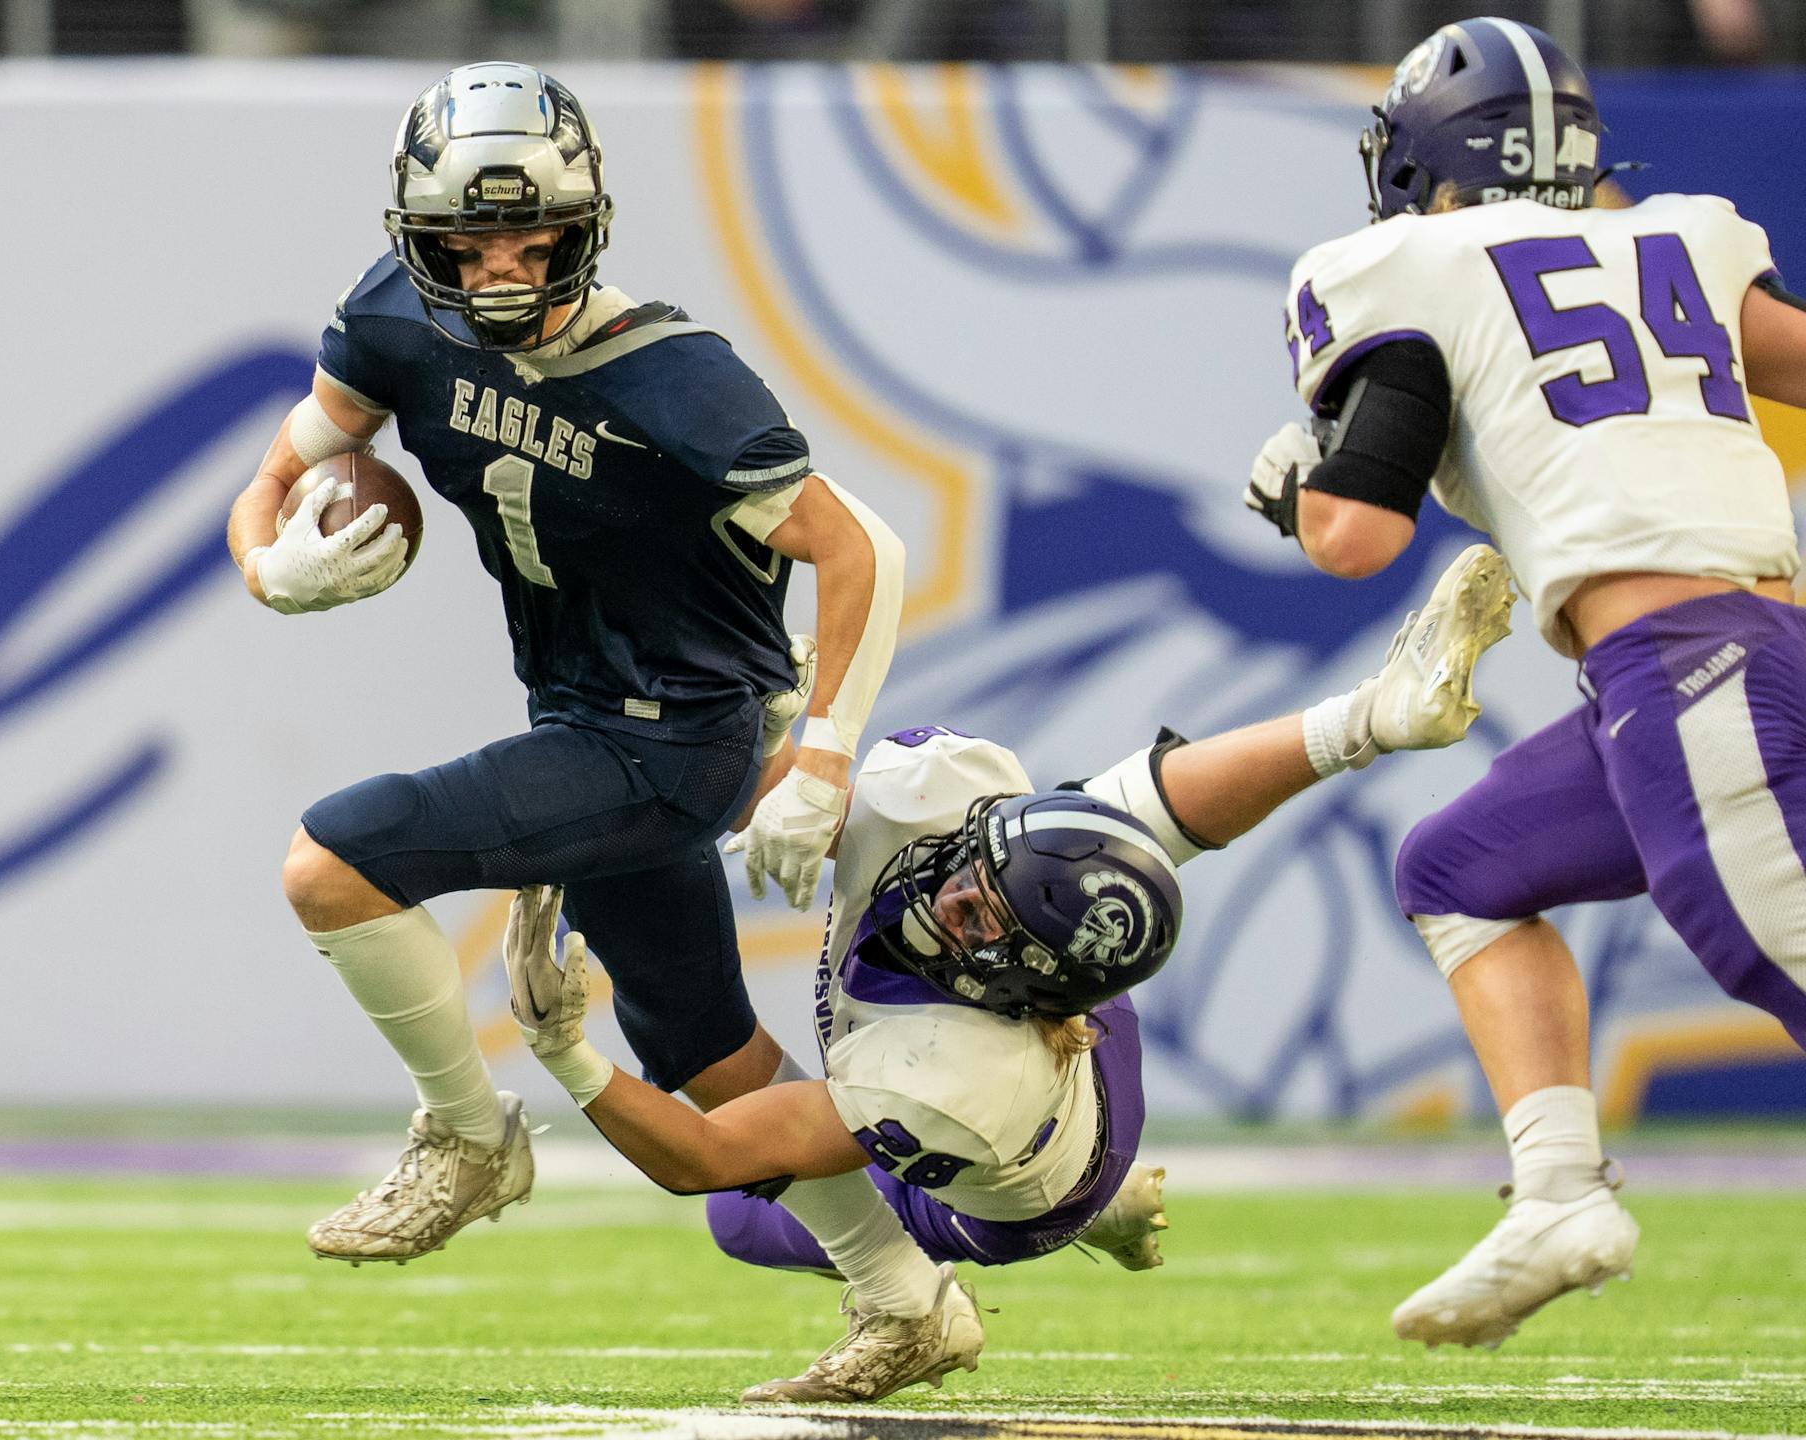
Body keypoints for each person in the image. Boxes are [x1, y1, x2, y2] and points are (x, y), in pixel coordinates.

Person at [502, 544, 1516, 1403]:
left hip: (1026, 1187)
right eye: (978, 872)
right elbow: (1131, 815)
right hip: (1051, 1040)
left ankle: (912, 1312)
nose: (956, 894)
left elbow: (706, 1161)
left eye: (984, 916)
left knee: (749, 1206)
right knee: (1099, 830)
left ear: (1019, 983)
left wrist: (567, 1050)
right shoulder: (950, 801)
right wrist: (775, 760)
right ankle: (1378, 715)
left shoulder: (954, 1074)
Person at [223, 63, 906, 1266]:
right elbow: (275, 481)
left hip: (674, 739)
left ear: (580, 228)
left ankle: (468, 1136)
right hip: (587, 715)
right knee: (707, 1056)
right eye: (465, 242)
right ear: (418, 236)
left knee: (333, 863)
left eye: (526, 238)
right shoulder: (392, 319)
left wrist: (823, 761)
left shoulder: (675, 378)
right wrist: (272, 570)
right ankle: (906, 1295)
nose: (496, 270)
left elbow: (861, 549)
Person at [1241, 16, 1806, 1350]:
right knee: (1464, 867)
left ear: (1427, 164)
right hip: (1731, 655)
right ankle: (1556, 1192)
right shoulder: (1684, 237)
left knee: (1780, 961)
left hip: (1690, 670)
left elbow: (1355, 537)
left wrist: (1299, 478)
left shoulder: (1401, 270)